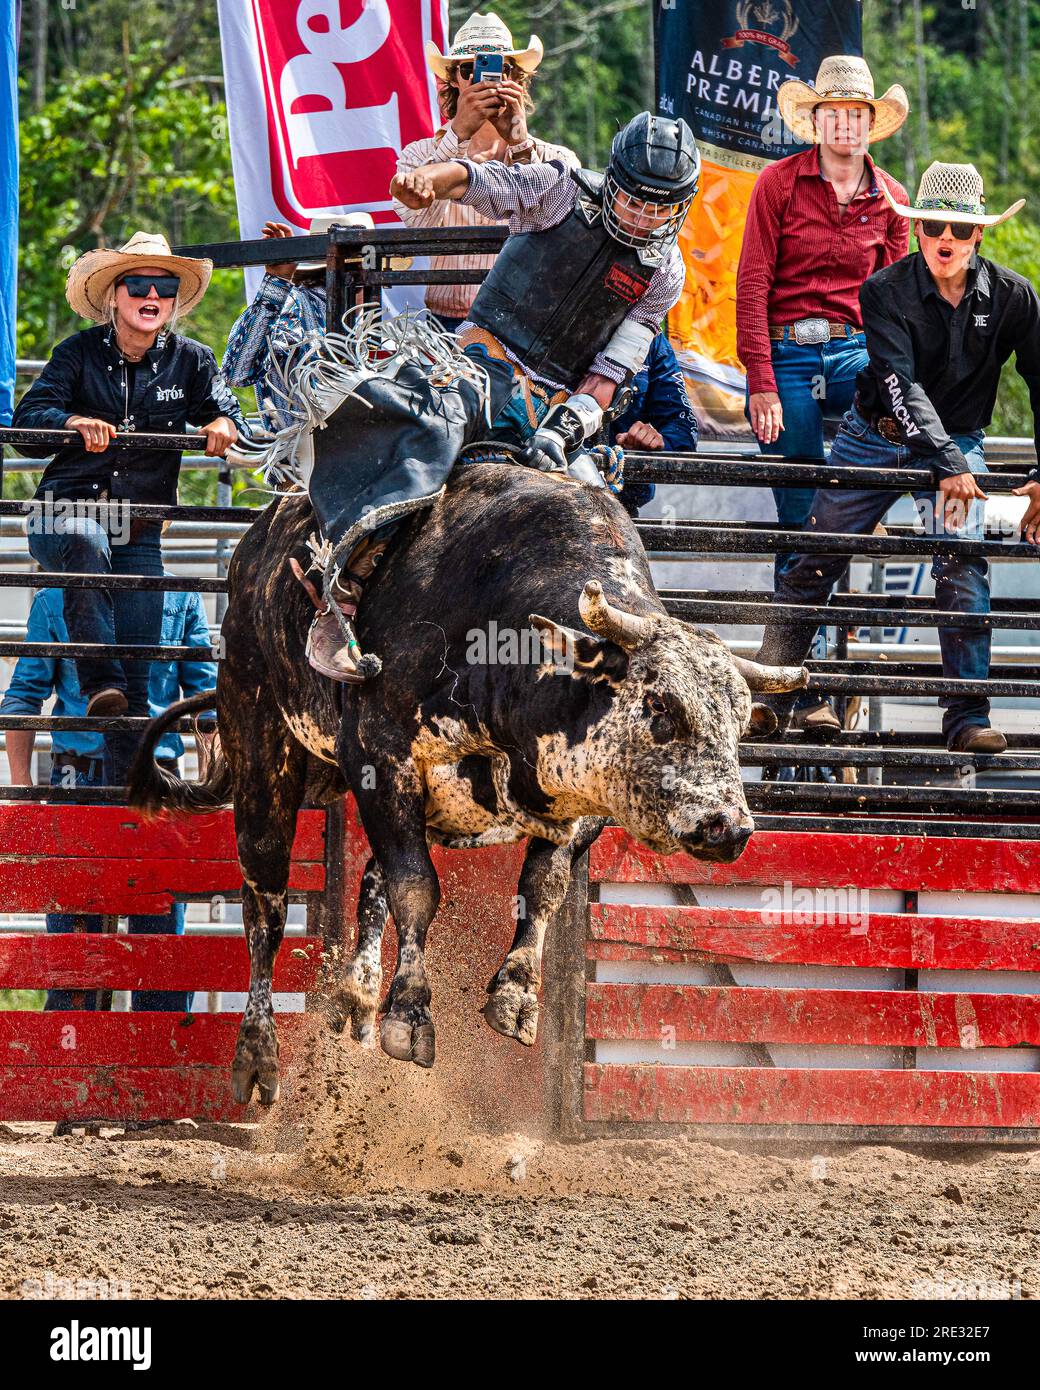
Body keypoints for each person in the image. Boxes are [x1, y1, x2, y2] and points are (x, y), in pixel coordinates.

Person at [278, 112, 697, 682]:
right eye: (634, 201)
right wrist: (434, 179)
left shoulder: (665, 272)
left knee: (603, 513)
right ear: (613, 183)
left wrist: (563, 429)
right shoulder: (560, 190)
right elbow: (485, 182)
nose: (643, 217)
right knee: (429, 437)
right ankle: (339, 591)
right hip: (475, 363)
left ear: (680, 207)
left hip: (554, 406)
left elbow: (612, 367)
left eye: (660, 207)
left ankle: (624, 657)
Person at [753, 161, 1040, 755]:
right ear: (916, 230)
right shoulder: (884, 291)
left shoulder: (1014, 297)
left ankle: (966, 716)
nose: (946, 240)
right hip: (877, 435)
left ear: (979, 234)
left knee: (961, 559)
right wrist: (950, 465)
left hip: (957, 439)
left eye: (960, 230)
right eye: (934, 225)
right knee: (815, 558)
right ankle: (768, 693)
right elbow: (897, 385)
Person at [11, 231, 243, 783]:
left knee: (142, 664)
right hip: (60, 515)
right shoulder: (76, 353)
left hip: (138, 532)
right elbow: (26, 423)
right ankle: (96, 685)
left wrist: (222, 423)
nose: (152, 295)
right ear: (114, 295)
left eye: (164, 287)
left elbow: (226, 408)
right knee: (87, 540)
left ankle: (130, 799)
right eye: (138, 283)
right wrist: (70, 423)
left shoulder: (192, 361)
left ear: (173, 301)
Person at [736, 56, 910, 735]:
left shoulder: (891, 199)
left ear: (870, 123)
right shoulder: (777, 184)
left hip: (856, 349)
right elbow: (752, 284)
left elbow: (898, 308)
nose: (844, 123)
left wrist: (897, 389)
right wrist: (760, 379)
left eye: (856, 113)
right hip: (786, 346)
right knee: (803, 512)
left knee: (864, 479)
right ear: (815, 121)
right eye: (833, 112)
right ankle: (797, 689)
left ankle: (819, 685)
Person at [1, 583, 217, 1011]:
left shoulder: (57, 597)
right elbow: (207, 706)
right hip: (147, 787)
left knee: (98, 952)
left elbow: (209, 706)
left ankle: (81, 1065)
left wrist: (23, 793)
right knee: (141, 952)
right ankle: (153, 1064)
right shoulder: (177, 597)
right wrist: (22, 795)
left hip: (91, 785)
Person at [392, 10, 578, 332]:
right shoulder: (419, 154)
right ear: (453, 79)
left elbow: (553, 221)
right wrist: (458, 135)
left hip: (524, 324)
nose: (484, 80)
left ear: (516, 78)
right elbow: (417, 219)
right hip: (443, 324)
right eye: (470, 69)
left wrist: (520, 144)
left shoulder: (555, 157)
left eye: (499, 69)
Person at [222, 213, 389, 434]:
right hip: (303, 459)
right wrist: (276, 284)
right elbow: (237, 372)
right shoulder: (296, 305)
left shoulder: (367, 327)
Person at [608, 331, 699, 516]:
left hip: (620, 506)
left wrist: (659, 441)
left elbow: (683, 427)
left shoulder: (652, 340)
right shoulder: (547, 320)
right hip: (551, 493)